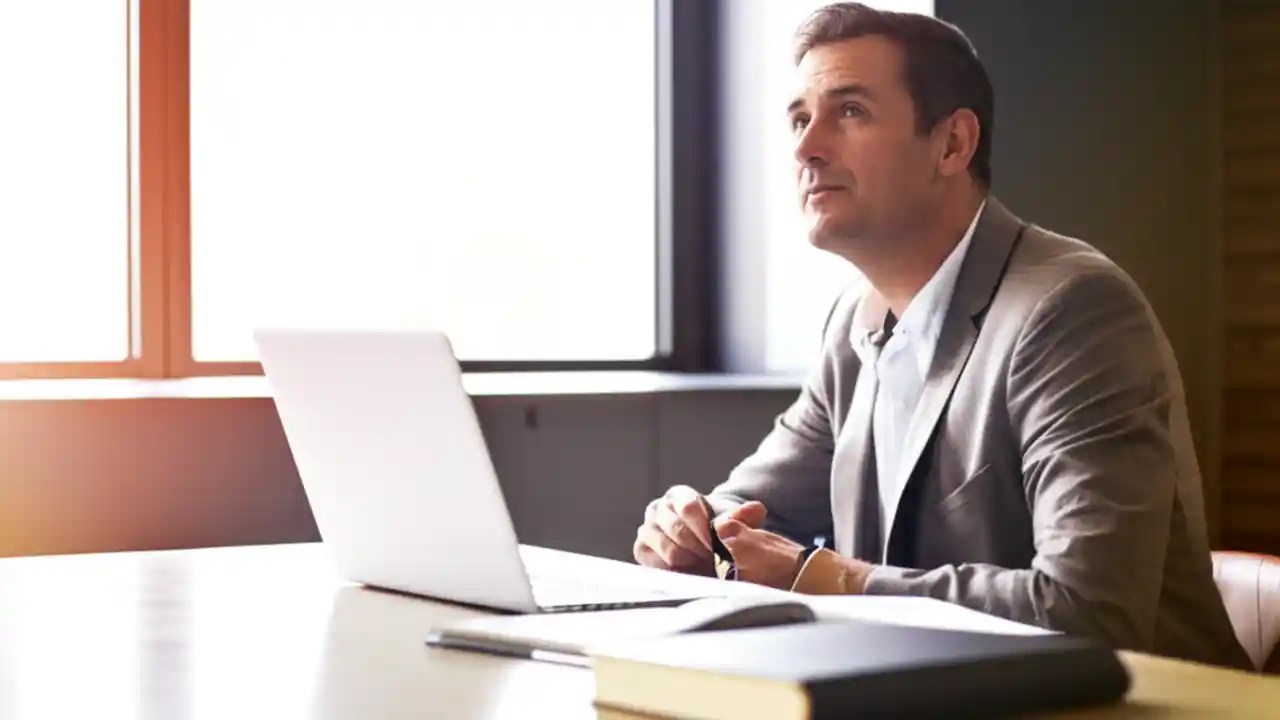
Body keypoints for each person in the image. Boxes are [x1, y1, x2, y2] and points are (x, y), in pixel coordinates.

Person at [633, 3, 1249, 669]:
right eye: (798, 118)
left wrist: (828, 578)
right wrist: (693, 532)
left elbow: (1089, 611)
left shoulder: (1072, 309)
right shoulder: (853, 321)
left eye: (849, 112)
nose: (806, 147)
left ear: (953, 144)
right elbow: (751, 513)